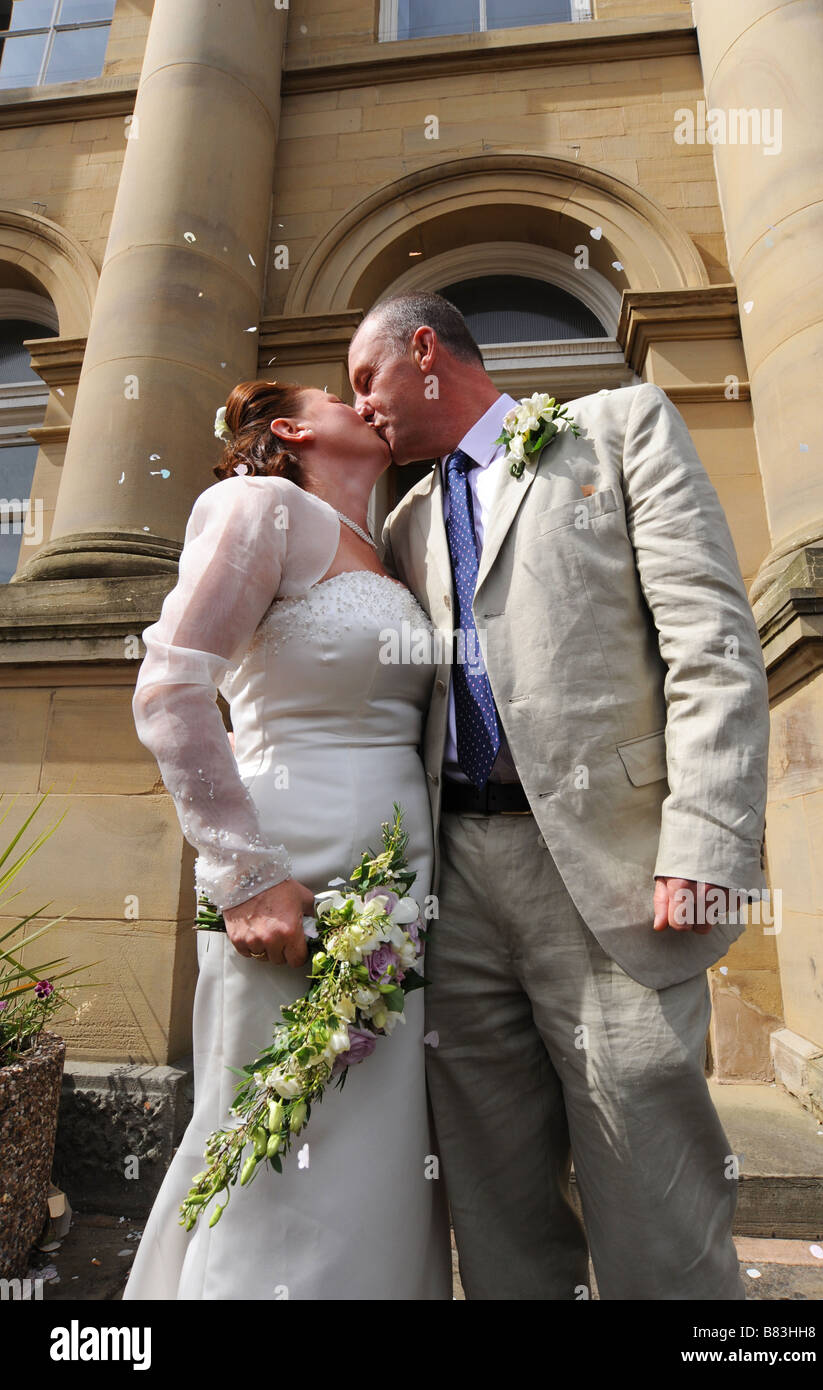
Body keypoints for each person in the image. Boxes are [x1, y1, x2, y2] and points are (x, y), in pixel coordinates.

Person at [348, 293, 770, 1300]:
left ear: (423, 350)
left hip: (606, 864)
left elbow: (709, 643)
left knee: (651, 1182)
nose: (360, 406)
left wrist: (706, 840)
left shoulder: (617, 428)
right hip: (456, 883)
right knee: (493, 1192)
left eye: (366, 380)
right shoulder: (400, 522)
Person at [122, 380, 452, 1300]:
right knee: (280, 1130)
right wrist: (245, 876)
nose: (371, 401)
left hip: (398, 882)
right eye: (344, 393)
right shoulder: (257, 506)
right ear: (293, 428)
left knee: (376, 1148)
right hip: (291, 869)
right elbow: (172, 689)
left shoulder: (389, 551)